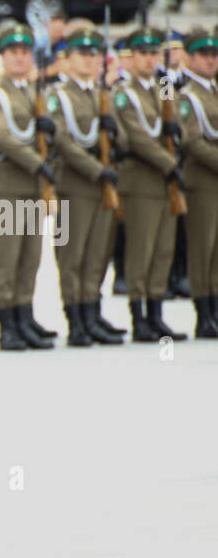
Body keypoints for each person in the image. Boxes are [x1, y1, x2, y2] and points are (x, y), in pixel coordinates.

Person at [44, 27, 124, 346]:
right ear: (68, 59)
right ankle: (75, 319)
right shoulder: (58, 95)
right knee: (72, 256)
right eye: (81, 54)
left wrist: (114, 131)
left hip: (101, 185)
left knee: (96, 256)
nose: (88, 61)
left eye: (93, 55)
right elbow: (62, 141)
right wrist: (98, 170)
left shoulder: (101, 95)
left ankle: (92, 314)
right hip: (74, 184)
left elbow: (118, 139)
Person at [0, 23, 58, 350]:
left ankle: (25, 315)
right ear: (2, 57)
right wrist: (37, 163)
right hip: (6, 189)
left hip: (30, 188)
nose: (20, 59)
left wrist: (48, 131)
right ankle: (8, 322)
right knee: (6, 259)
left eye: (25, 53)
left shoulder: (31, 92)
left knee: (30, 257)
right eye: (13, 53)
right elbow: (1, 136)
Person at [114, 26, 187, 342]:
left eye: (153, 53)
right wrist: (170, 164)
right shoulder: (123, 93)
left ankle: (157, 313)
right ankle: (139, 315)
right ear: (131, 58)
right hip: (141, 179)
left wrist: (176, 130)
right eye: (142, 54)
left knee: (163, 249)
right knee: (141, 250)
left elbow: (177, 120)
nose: (148, 59)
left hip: (165, 181)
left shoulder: (165, 86)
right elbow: (138, 138)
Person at [178, 27, 218, 338]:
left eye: (213, 55)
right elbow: (192, 141)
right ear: (190, 59)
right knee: (203, 249)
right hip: (202, 180)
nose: (210, 60)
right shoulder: (186, 96)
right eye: (203, 55)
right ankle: (203, 313)